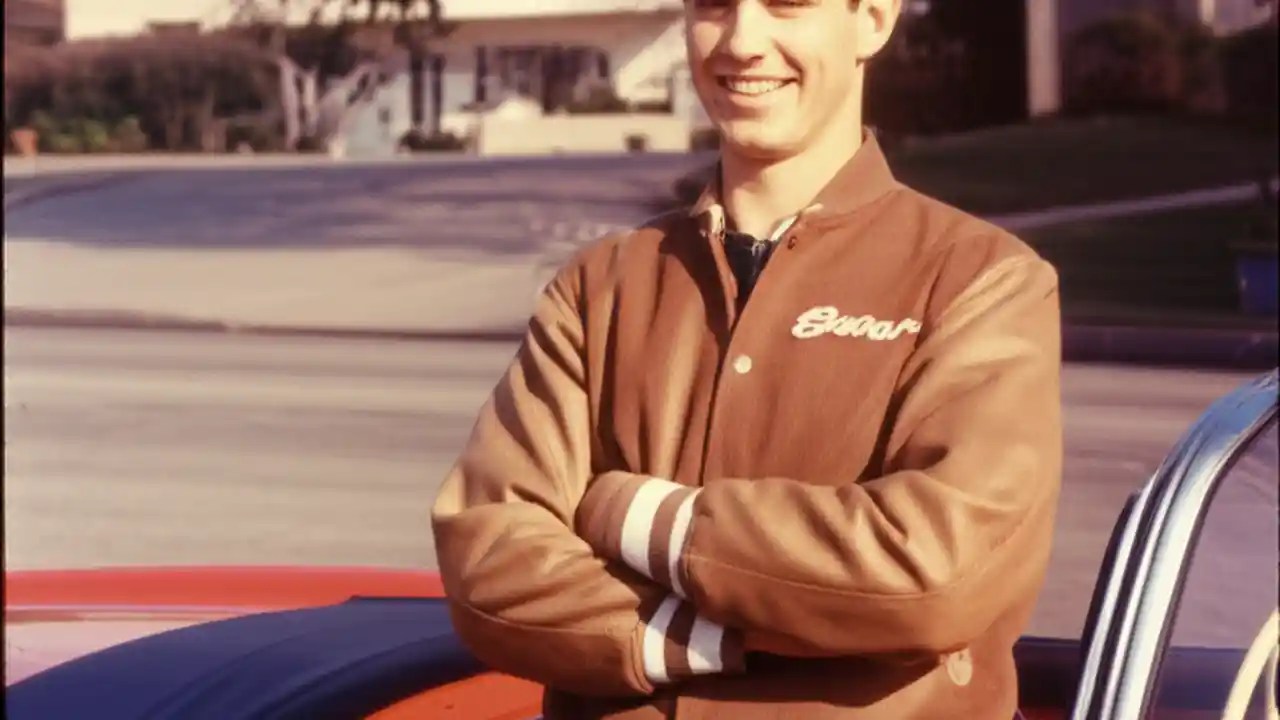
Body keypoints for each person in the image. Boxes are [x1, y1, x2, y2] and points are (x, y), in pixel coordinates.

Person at [432, 0, 1063, 718]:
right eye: (714, 6)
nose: (742, 41)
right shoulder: (598, 286)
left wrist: (635, 516)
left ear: (874, 19)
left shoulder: (982, 279)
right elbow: (489, 557)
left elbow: (934, 571)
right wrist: (743, 629)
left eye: (786, 6)